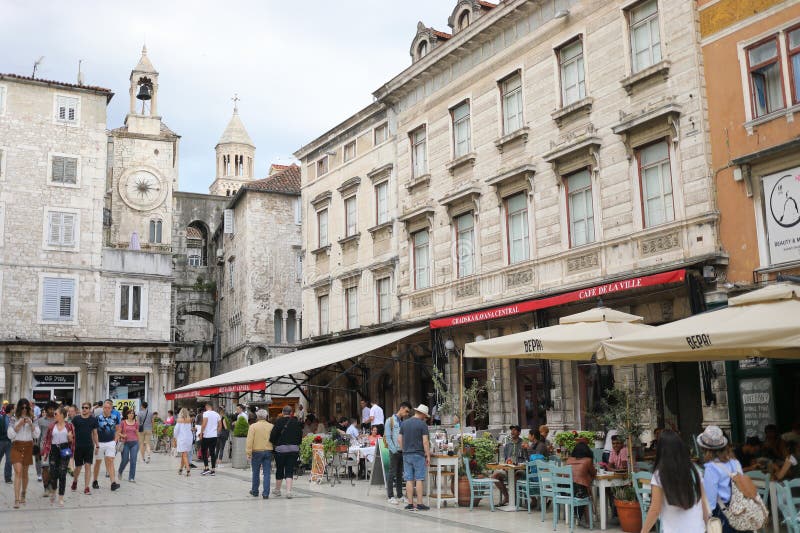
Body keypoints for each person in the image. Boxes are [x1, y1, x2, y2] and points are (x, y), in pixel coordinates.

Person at [642, 429, 706, 533]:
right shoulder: (695, 470)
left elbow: (655, 509)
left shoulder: (659, 475)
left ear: (661, 450)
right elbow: (704, 502)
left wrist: (643, 531)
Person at [699, 425, 744, 533]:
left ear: (705, 448)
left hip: (723, 514)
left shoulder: (711, 468)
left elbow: (710, 502)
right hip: (740, 511)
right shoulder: (735, 462)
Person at [8, 398, 41, 508]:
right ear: (19, 408)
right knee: (18, 472)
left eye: (26, 407)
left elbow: (36, 435)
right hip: (16, 446)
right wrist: (19, 424)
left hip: (28, 446)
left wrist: (31, 424)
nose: (24, 409)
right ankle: (16, 499)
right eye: (22, 407)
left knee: (25, 473)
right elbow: (10, 435)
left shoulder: (34, 418)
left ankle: (23, 493)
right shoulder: (13, 418)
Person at [41, 406, 75, 507]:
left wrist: (70, 438)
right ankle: (54, 492)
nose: (54, 415)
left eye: (56, 414)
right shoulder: (52, 426)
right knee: (53, 474)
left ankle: (61, 497)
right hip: (54, 450)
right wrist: (45, 452)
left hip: (64, 449)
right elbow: (47, 440)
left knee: (62, 474)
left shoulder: (69, 426)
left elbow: (72, 441)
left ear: (62, 415)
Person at [399, 404, 431, 511]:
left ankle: (410, 504)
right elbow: (425, 442)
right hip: (418, 454)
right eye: (425, 416)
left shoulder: (404, 423)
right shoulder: (423, 425)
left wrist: (404, 450)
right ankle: (420, 503)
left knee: (409, 479)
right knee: (419, 479)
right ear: (422, 414)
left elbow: (399, 439)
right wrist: (428, 455)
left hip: (406, 454)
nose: (425, 418)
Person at [270, 405, 302, 498]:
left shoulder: (278, 422)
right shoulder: (296, 422)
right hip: (293, 450)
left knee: (280, 469)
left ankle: (277, 490)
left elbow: (272, 436)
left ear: (282, 412)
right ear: (291, 413)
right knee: (289, 469)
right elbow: (300, 437)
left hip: (280, 450)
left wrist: (276, 443)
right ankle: (288, 491)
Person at [492, 425, 528, 506]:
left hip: (520, 470)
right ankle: (507, 497)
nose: (512, 432)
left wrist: (526, 449)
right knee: (495, 476)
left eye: (515, 430)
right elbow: (505, 458)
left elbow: (527, 458)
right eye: (512, 430)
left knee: (516, 476)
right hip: (509, 469)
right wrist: (505, 466)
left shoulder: (523, 443)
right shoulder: (508, 444)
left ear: (519, 432)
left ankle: (515, 500)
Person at [384, 401, 411, 504]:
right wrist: (394, 450)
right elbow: (388, 437)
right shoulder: (390, 421)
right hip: (394, 451)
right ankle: (390, 496)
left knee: (400, 474)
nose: (407, 414)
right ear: (401, 408)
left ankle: (400, 495)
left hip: (402, 451)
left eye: (408, 412)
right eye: (406, 411)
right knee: (392, 473)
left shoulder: (403, 422)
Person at [70, 402, 99, 495]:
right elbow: (71, 431)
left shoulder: (93, 420)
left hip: (89, 446)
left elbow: (95, 433)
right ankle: (75, 481)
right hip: (78, 446)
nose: (84, 409)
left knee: (88, 466)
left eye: (86, 408)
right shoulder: (76, 419)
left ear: (90, 409)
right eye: (82, 407)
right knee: (78, 467)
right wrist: (70, 440)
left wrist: (97, 445)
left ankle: (86, 487)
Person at [566, 442, 597, 525]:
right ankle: (586, 520)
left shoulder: (569, 460)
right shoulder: (588, 460)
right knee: (587, 495)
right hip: (579, 492)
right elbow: (593, 473)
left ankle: (579, 516)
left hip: (567, 491)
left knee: (584, 491)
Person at [92, 400, 121, 491]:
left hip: (110, 442)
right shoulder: (97, 418)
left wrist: (115, 440)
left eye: (108, 408)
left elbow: (118, 429)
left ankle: (113, 483)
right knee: (98, 462)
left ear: (111, 409)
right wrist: (96, 444)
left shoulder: (115, 417)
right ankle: (95, 480)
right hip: (100, 443)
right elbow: (94, 432)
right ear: (103, 408)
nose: (107, 409)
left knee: (110, 461)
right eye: (105, 407)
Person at [246, 409, 274, 498]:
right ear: (266, 416)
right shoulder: (271, 426)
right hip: (268, 451)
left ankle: (255, 491)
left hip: (256, 451)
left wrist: (248, 452)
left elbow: (249, 440)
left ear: (257, 417)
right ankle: (266, 493)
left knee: (255, 472)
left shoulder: (253, 426)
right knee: (267, 473)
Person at [35, 401, 56, 491]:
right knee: (45, 468)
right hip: (44, 447)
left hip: (55, 447)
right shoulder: (40, 421)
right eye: (50, 409)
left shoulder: (57, 420)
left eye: (53, 409)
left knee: (53, 468)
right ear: (46, 410)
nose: (52, 411)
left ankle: (50, 483)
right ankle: (45, 486)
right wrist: (37, 450)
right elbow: (38, 436)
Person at [117, 408, 139, 483]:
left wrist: (140, 443)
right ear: (127, 414)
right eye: (130, 413)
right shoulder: (123, 422)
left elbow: (137, 433)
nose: (131, 415)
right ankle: (120, 471)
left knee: (133, 460)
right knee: (125, 459)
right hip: (125, 443)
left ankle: (131, 477)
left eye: (133, 413)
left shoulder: (136, 423)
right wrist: (123, 435)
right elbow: (118, 432)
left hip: (135, 443)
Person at [199, 402, 221, 476]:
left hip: (206, 436)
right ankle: (213, 470)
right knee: (212, 452)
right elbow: (220, 426)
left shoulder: (206, 413)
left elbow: (204, 424)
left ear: (207, 406)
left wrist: (201, 433)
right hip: (214, 436)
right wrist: (216, 432)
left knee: (204, 451)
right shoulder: (217, 414)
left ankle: (206, 468)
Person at [173, 408, 193, 477]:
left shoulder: (179, 421)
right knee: (184, 454)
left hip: (182, 439)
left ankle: (188, 470)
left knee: (184, 455)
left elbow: (176, 431)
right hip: (189, 439)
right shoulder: (189, 420)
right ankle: (180, 469)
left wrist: (174, 438)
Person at [0, 403, 12, 485]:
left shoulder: (14, 419)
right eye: (14, 408)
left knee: (9, 460)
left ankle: (8, 478)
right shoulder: (2, 418)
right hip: (1, 441)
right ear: (11, 409)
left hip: (10, 442)